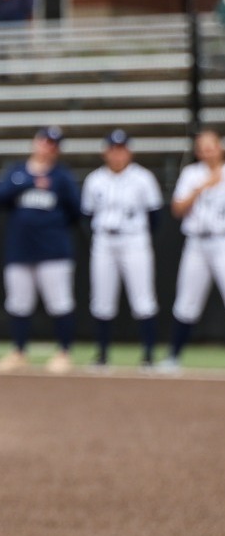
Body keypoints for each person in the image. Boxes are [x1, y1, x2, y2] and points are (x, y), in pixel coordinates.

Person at [0, 127, 81, 373]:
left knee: (59, 303)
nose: (48, 147)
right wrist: (30, 182)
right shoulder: (17, 172)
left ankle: (64, 352)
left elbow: (75, 210)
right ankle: (19, 351)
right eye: (45, 142)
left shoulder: (62, 176)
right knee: (19, 303)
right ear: (36, 143)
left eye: (53, 144)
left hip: (53, 250)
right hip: (20, 248)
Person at [81, 129, 162, 369]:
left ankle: (148, 356)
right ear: (105, 152)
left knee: (143, 298)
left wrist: (138, 235)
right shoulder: (94, 179)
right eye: (113, 149)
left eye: (122, 149)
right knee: (102, 299)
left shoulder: (143, 178)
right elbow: (86, 215)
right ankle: (102, 355)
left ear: (129, 151)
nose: (117, 154)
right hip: (104, 240)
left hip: (134, 239)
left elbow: (155, 216)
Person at [168, 128, 225, 372]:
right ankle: (173, 357)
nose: (206, 152)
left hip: (222, 240)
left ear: (219, 147)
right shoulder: (192, 174)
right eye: (201, 147)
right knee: (186, 301)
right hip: (196, 242)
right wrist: (202, 187)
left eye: (210, 146)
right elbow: (177, 209)